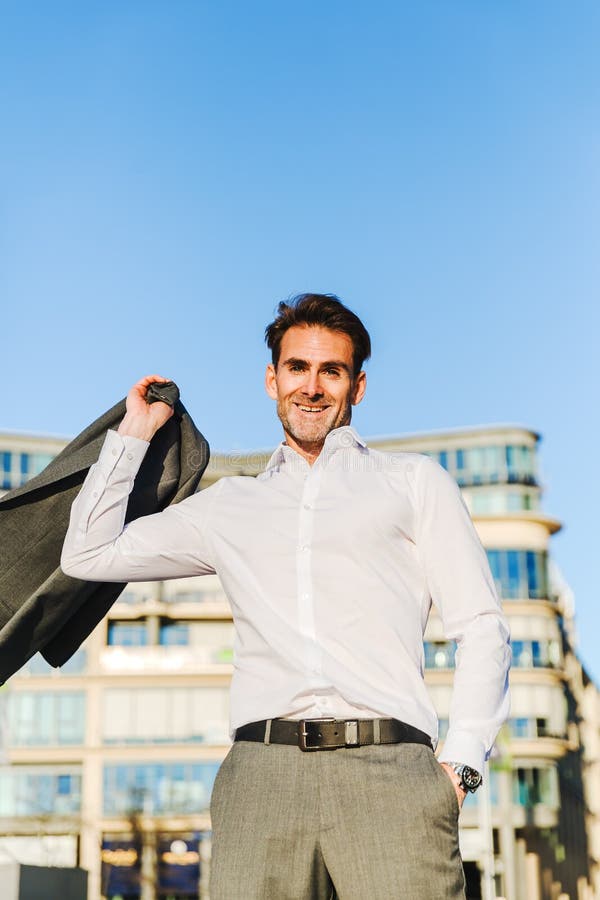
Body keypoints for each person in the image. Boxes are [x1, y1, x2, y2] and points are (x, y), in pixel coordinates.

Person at [61, 293, 511, 900]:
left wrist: (461, 765)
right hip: (261, 778)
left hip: (391, 773)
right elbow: (87, 553)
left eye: (333, 371)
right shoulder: (229, 506)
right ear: (273, 379)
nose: (313, 387)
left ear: (358, 387)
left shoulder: (414, 483)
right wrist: (133, 435)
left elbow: (481, 625)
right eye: (298, 368)